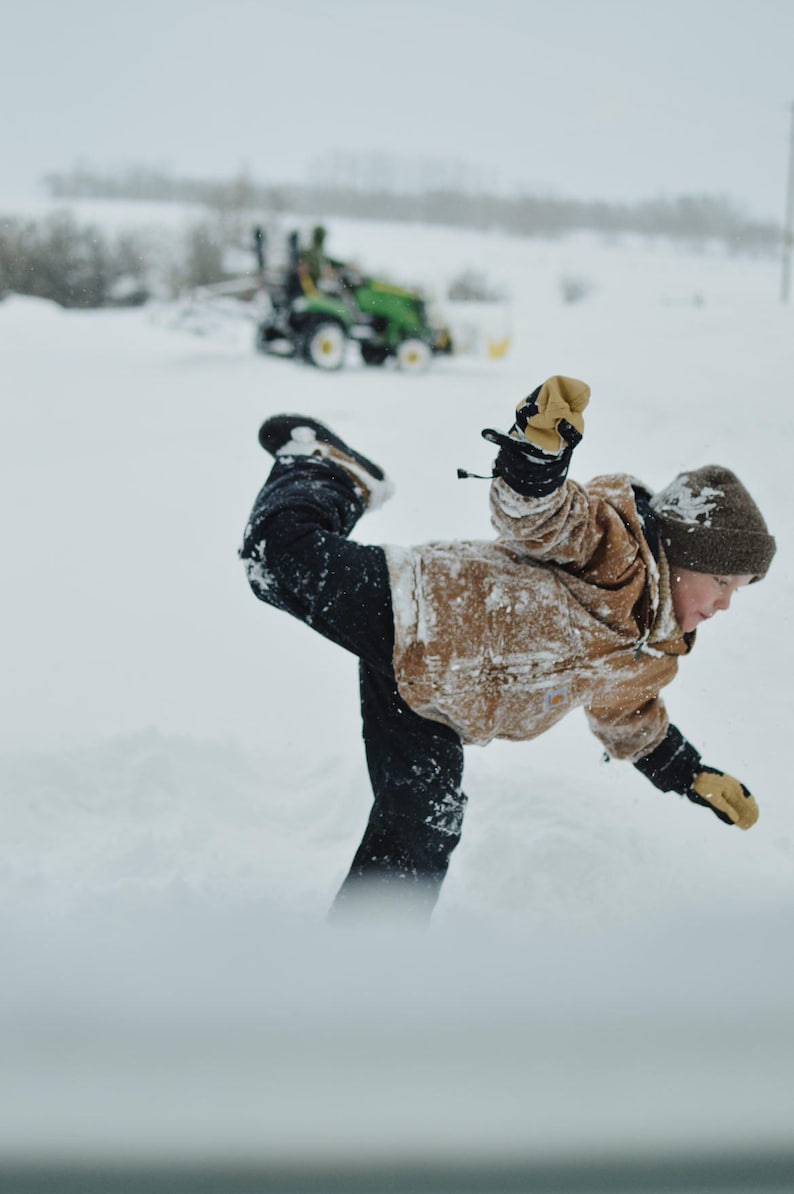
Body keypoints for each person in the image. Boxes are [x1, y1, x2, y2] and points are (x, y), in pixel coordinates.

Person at [239, 377, 776, 919]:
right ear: (685, 558)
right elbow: (543, 519)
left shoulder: (654, 651)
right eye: (723, 581)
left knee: (420, 828)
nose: (726, 603)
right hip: (422, 611)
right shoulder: (617, 548)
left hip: (432, 706)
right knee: (277, 559)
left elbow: (628, 719)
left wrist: (689, 773)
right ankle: (325, 469)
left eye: (739, 590)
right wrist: (536, 462)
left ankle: (370, 963)